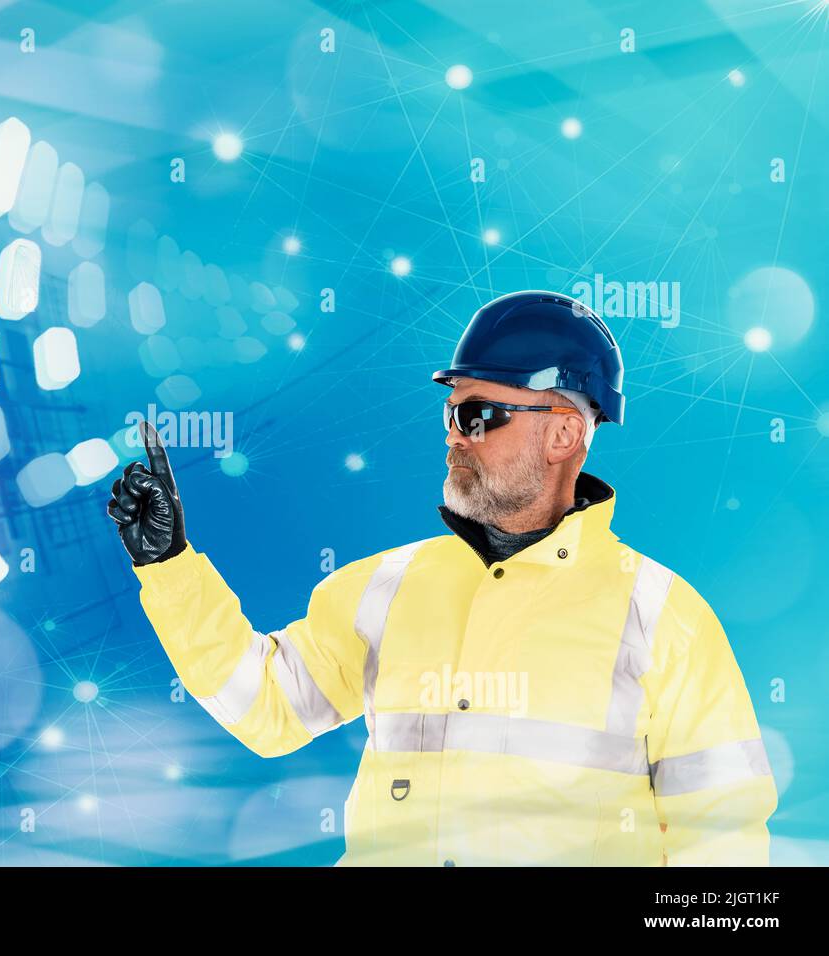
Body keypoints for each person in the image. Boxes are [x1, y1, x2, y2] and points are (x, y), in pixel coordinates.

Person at [107, 290, 777, 866]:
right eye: (450, 413)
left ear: (565, 435)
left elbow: (723, 842)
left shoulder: (660, 618)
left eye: (477, 416)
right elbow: (267, 710)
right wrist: (168, 568)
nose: (454, 436)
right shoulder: (383, 588)